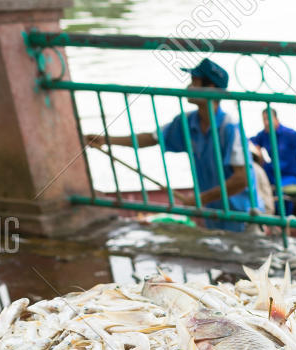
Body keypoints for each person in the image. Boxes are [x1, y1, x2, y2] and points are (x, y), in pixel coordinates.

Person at [85, 58, 261, 232]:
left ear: (211, 88)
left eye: (194, 82)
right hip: (214, 211)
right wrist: (107, 140)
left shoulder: (230, 128)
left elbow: (241, 179)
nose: (188, 88)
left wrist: (202, 199)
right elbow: (151, 138)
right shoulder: (187, 122)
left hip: (243, 213)